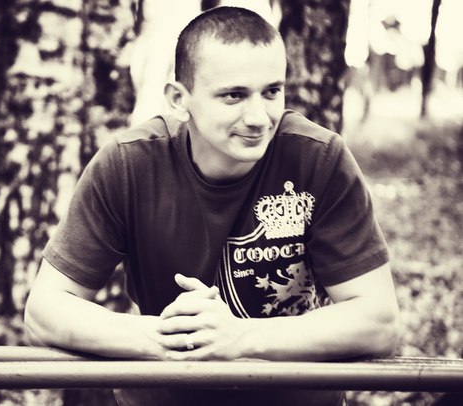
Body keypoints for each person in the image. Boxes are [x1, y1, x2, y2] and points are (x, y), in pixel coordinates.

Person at [24, 6, 401, 406]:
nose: (258, 118)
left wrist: (240, 338)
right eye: (234, 95)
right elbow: (43, 312)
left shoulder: (319, 159)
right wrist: (168, 338)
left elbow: (379, 321)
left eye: (272, 91)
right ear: (178, 100)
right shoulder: (129, 165)